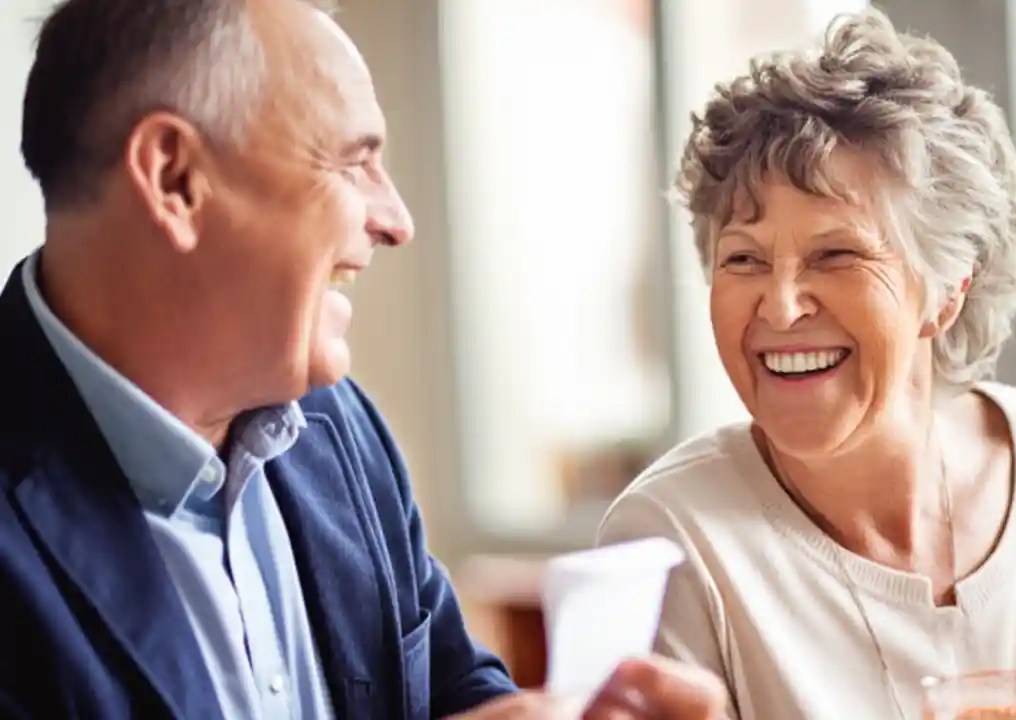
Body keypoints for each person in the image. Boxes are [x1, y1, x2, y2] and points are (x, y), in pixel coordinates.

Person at [0, 1, 726, 719]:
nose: (396, 221)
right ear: (175, 179)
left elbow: (454, 688)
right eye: (353, 163)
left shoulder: (337, 426)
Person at [599, 9, 1016, 720]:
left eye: (835, 254)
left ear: (947, 291)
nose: (780, 306)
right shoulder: (670, 538)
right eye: (744, 259)